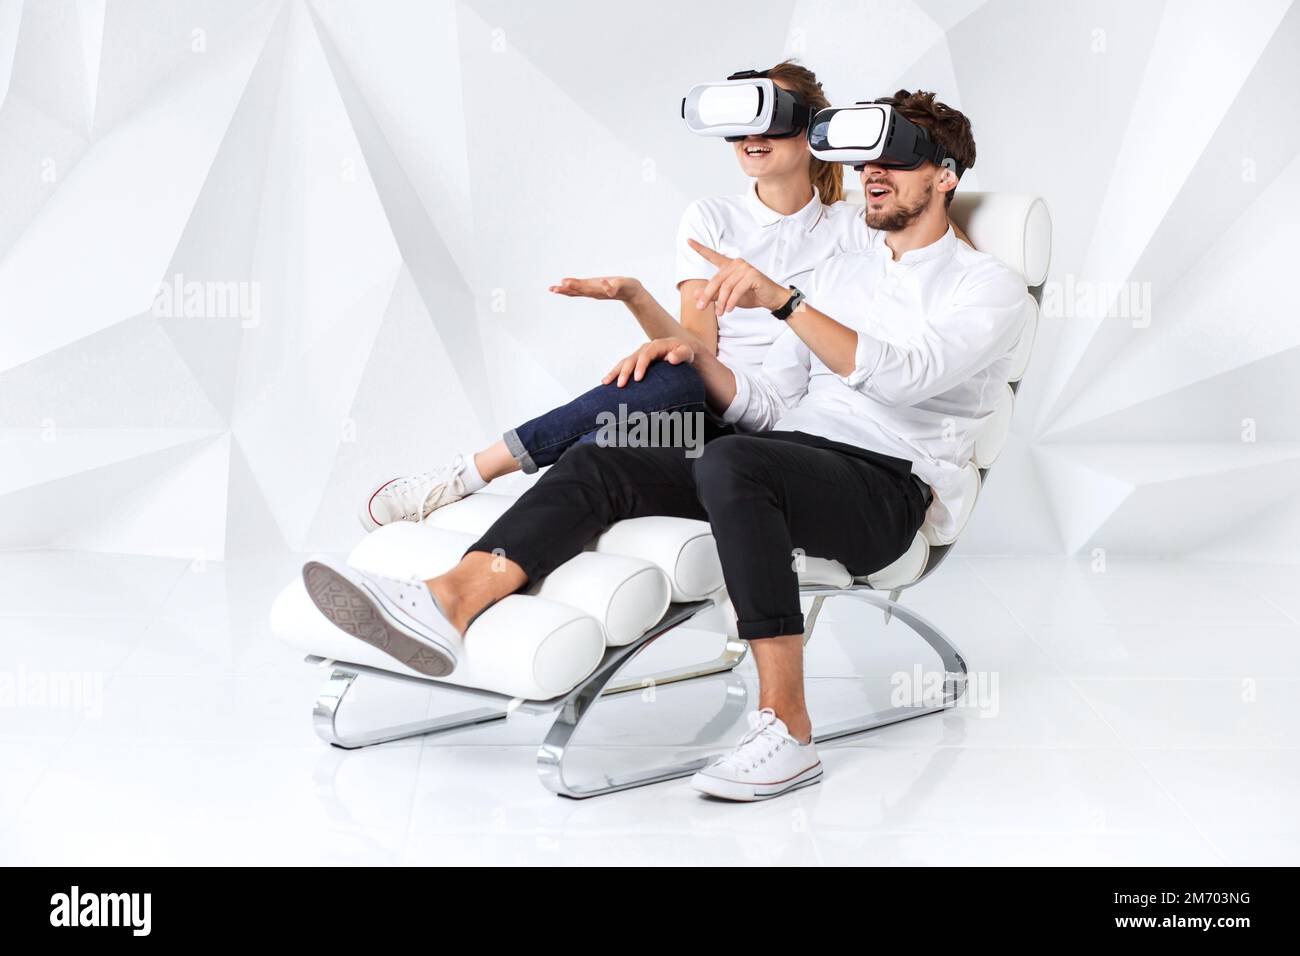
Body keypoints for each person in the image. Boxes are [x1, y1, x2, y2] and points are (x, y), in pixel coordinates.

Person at [304, 89, 1031, 802]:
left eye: (896, 160)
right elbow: (774, 405)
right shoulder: (842, 273)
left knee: (734, 460)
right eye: (866, 159)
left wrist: (786, 302)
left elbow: (904, 377)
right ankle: (448, 601)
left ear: (946, 176)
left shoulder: (987, 287)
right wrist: (687, 357)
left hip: (888, 490)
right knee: (609, 452)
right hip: (793, 456)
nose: (873, 173)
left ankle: (788, 729)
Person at [357, 61, 867, 530]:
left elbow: (930, 255)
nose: (752, 137)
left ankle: (476, 478)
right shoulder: (711, 219)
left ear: (811, 130)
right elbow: (696, 351)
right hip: (699, 417)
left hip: (773, 438)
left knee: (642, 408)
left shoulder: (856, 229)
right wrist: (636, 297)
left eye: (770, 118)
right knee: (642, 405)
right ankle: (472, 483)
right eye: (739, 122)